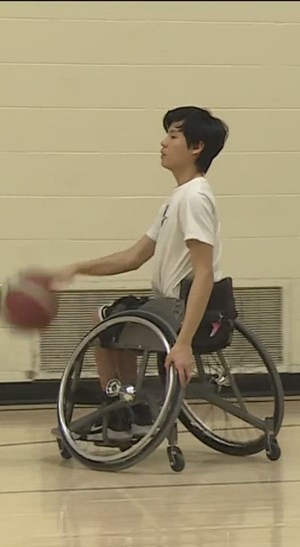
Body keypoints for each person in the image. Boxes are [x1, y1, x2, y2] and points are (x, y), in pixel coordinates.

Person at [51, 105, 229, 443]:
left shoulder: (194, 198)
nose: (163, 142)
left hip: (179, 310)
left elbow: (204, 273)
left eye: (173, 135)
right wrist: (78, 268)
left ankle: (122, 408)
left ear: (196, 147)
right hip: (167, 308)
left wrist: (184, 343)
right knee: (116, 317)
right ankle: (128, 405)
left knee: (107, 321)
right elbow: (134, 257)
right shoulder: (176, 199)